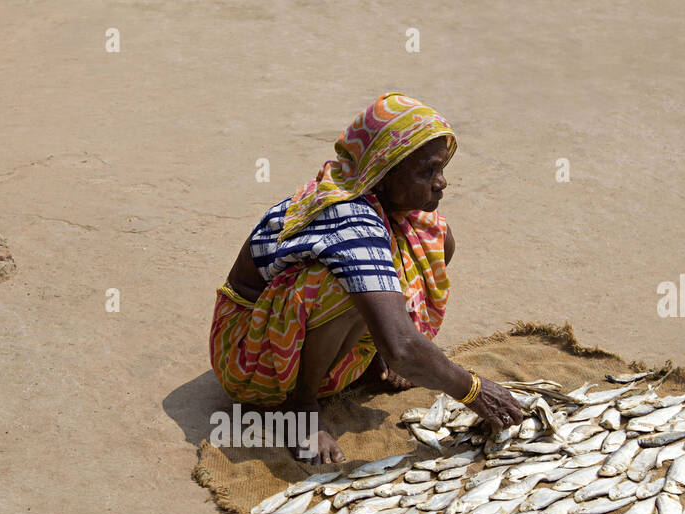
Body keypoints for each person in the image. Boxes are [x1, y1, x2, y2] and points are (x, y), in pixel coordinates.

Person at [210, 92, 523, 464]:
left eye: (441, 168)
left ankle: (366, 366)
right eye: (426, 171)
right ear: (383, 171)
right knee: (342, 286)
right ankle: (301, 406)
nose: (441, 183)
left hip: (292, 342)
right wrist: (472, 390)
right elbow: (404, 347)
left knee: (433, 238)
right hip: (251, 355)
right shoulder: (350, 218)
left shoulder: (370, 193)